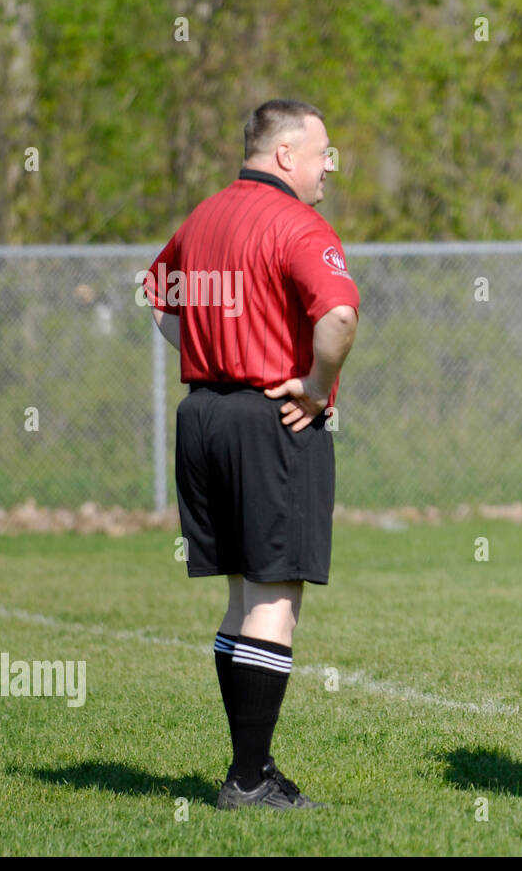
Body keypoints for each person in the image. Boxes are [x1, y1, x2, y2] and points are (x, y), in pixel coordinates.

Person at [141, 99, 359, 809]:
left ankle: (250, 769)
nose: (331, 165)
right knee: (273, 597)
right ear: (285, 154)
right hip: (273, 419)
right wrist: (319, 386)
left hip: (203, 415)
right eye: (323, 151)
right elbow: (339, 313)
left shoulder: (202, 217)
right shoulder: (297, 223)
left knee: (242, 596)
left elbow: (161, 301)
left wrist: (214, 356)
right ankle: (248, 778)